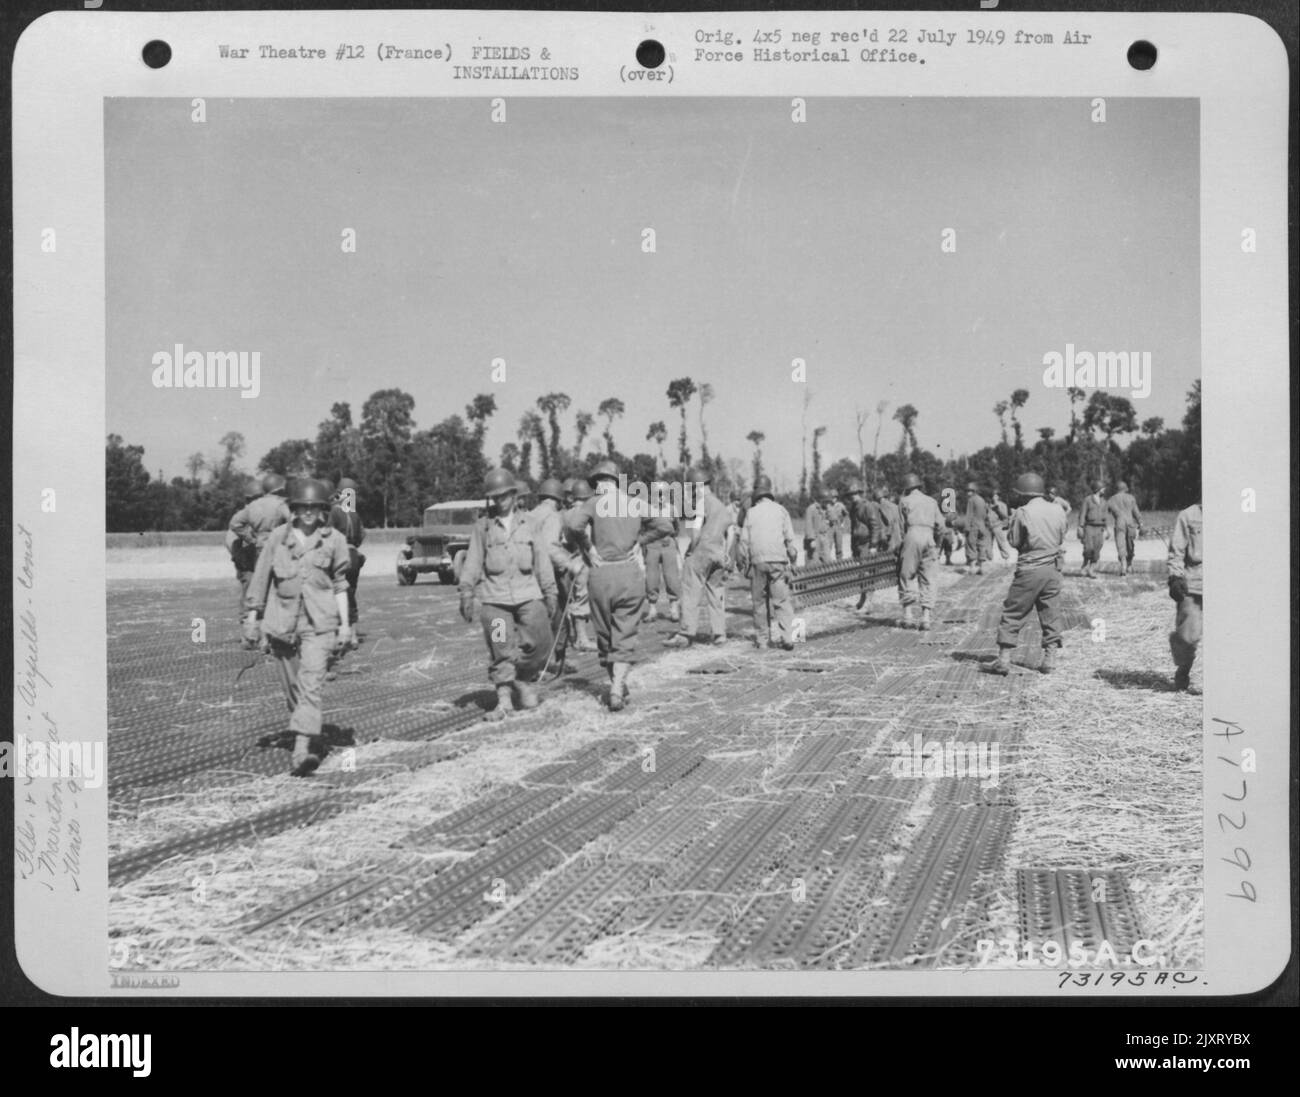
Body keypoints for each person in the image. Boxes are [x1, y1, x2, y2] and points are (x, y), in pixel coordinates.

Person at [244, 478, 352, 776]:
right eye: (302, 507)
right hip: (282, 623)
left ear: (322, 511)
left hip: (320, 624)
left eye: (314, 508)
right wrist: (252, 619)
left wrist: (345, 626)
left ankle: (302, 748)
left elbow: (342, 585)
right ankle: (308, 729)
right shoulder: (277, 539)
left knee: (311, 682)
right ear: (293, 508)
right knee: (293, 688)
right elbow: (261, 579)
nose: (308, 513)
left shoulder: (334, 541)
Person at [458, 468, 557, 721]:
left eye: (504, 495)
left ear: (514, 495)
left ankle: (523, 679)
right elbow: (472, 560)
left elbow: (542, 560)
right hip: (495, 599)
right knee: (501, 646)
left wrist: (550, 591)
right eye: (495, 497)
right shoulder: (483, 528)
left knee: (541, 643)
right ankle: (504, 701)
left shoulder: (530, 524)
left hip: (527, 594)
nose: (500, 501)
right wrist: (466, 592)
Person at [563, 459, 652, 710]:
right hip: (629, 573)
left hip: (601, 573)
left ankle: (615, 685)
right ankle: (617, 687)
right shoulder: (634, 502)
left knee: (605, 635)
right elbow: (665, 524)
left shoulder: (593, 503)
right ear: (616, 480)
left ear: (599, 483)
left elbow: (572, 525)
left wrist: (589, 549)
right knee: (624, 632)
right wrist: (639, 541)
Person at [991, 472, 1067, 676]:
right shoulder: (1058, 509)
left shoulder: (1023, 512)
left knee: (1014, 611)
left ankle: (1004, 659)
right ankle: (1049, 659)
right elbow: (1061, 535)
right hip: (1053, 568)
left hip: (1029, 569)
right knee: (1050, 612)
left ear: (1023, 493)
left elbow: (1014, 541)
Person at [664, 467, 733, 647]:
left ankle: (686, 633)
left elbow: (695, 531)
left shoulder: (701, 503)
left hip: (702, 550)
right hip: (719, 552)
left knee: (690, 590)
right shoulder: (722, 506)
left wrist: (689, 550)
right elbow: (731, 532)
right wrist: (725, 553)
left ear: (696, 487)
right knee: (716, 592)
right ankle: (719, 634)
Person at [530, 478, 597, 652]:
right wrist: (569, 564)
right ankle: (556, 656)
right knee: (561, 613)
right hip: (557, 569)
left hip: (529, 575)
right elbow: (550, 547)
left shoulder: (531, 514)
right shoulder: (554, 516)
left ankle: (536, 656)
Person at [231, 473, 291, 648]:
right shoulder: (280, 505)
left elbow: (235, 523)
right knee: (275, 590)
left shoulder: (253, 506)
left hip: (259, 549)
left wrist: (251, 538)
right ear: (279, 489)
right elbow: (292, 522)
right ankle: (267, 639)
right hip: (277, 550)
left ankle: (250, 632)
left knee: (259, 587)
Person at [740, 475, 799, 651]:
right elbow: (790, 541)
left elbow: (744, 542)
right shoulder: (781, 510)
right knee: (781, 600)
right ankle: (788, 638)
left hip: (758, 563)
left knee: (759, 603)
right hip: (778, 562)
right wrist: (793, 561)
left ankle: (762, 640)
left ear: (756, 497)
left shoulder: (750, 513)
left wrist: (745, 564)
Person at [897, 473, 941, 630]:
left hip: (912, 535)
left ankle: (908, 616)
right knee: (929, 577)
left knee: (906, 574)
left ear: (906, 487)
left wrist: (902, 546)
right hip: (929, 537)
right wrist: (937, 544)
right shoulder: (932, 501)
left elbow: (901, 527)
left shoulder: (904, 501)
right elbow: (940, 526)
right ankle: (926, 618)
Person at [1167, 500, 1202, 691]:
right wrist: (1175, 577)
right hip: (1194, 586)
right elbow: (1176, 551)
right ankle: (1182, 672)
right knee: (1188, 636)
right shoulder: (1187, 516)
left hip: (1224, 586)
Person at [328, 477, 367, 635]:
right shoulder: (354, 513)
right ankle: (353, 634)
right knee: (351, 592)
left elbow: (328, 534)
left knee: (337, 592)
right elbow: (362, 534)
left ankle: (339, 630)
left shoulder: (333, 511)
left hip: (340, 555)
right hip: (354, 555)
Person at [642, 481, 682, 623]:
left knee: (671, 577)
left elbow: (676, 528)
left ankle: (674, 609)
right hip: (652, 545)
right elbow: (642, 529)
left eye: (663, 494)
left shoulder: (672, 509)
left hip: (667, 544)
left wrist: (669, 538)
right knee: (651, 578)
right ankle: (652, 609)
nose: (660, 498)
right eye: (657, 495)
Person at [224, 477, 261, 622]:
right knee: (249, 590)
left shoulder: (253, 515)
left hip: (250, 562)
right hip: (247, 564)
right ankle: (247, 622)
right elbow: (230, 539)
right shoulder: (246, 515)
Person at [1108, 479, 1143, 576]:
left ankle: (1123, 564)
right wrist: (1140, 523)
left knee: (1121, 544)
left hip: (1119, 523)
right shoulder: (1131, 498)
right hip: (1130, 523)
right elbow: (1136, 512)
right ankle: (1130, 564)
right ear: (1125, 488)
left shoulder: (1111, 499)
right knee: (1130, 544)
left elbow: (1106, 512)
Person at [1077, 479, 1109, 579]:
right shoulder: (1087, 500)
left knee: (1097, 549)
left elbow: (1106, 516)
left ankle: (1091, 569)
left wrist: (1107, 529)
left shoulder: (1104, 502)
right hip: (1089, 527)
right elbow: (1082, 514)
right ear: (1098, 489)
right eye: (1103, 488)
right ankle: (1085, 564)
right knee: (1088, 548)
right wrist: (1080, 527)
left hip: (1100, 528)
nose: (1104, 490)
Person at [963, 483, 989, 575]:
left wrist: (966, 528)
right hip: (982, 525)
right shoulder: (982, 500)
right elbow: (986, 513)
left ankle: (972, 568)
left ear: (973, 491)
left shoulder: (971, 500)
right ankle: (982, 568)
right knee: (981, 545)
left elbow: (969, 514)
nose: (967, 493)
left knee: (971, 545)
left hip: (974, 525)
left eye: (969, 491)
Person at [989, 490, 1012, 562]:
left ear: (998, 496)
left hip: (998, 526)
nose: (994, 497)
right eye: (993, 495)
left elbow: (1005, 516)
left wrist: (997, 509)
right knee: (988, 544)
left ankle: (1006, 560)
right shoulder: (988, 505)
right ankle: (989, 560)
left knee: (1002, 544)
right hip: (989, 527)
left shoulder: (1002, 505)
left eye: (996, 495)